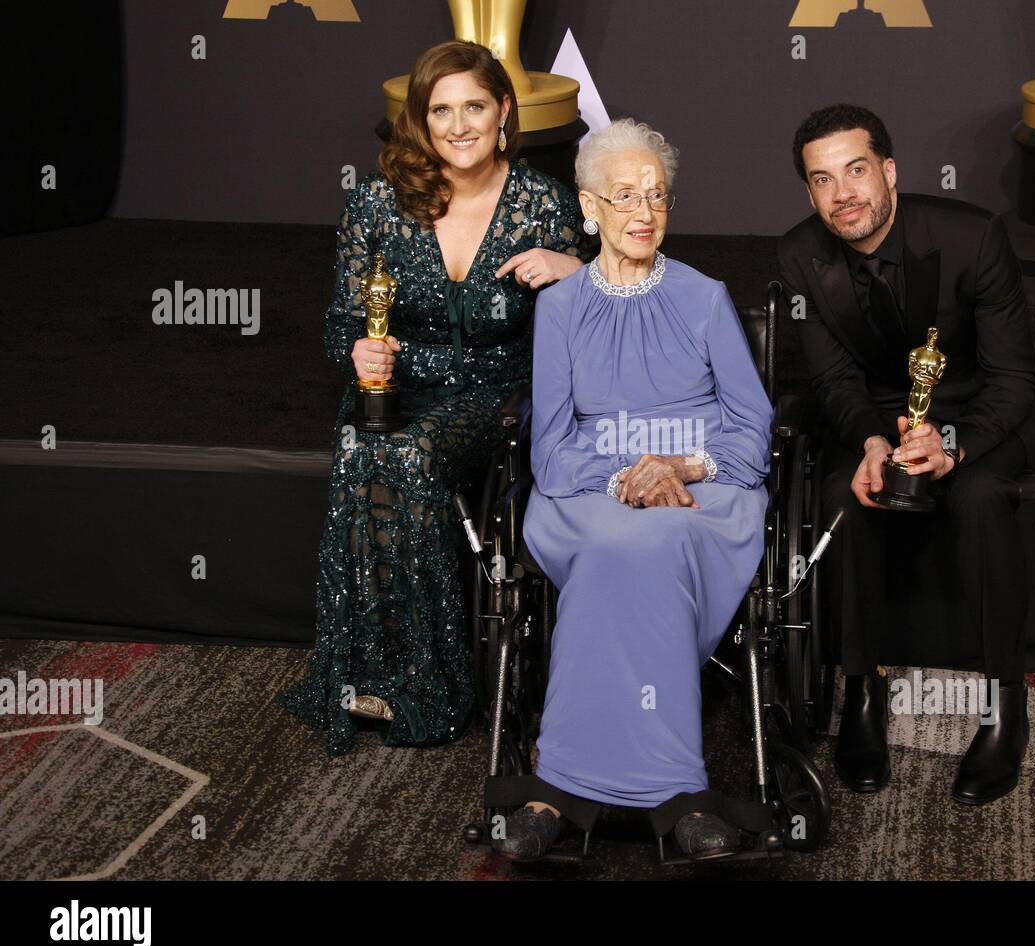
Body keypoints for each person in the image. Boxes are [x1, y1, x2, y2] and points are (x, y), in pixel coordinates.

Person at [279, 41, 596, 756]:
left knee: (412, 454)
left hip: (498, 394)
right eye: (441, 110)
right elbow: (341, 324)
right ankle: (363, 672)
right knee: (366, 442)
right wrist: (357, 350)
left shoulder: (541, 203)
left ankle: (431, 679)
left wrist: (574, 266)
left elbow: (605, 312)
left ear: (504, 111)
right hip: (395, 391)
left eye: (475, 107)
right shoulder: (377, 203)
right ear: (421, 120)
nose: (459, 126)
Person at [490, 119, 774, 862]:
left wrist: (679, 467)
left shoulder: (704, 297)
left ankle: (586, 789)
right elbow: (549, 448)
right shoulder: (559, 309)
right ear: (590, 210)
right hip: (587, 487)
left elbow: (752, 428)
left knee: (652, 540)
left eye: (658, 196)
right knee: (619, 540)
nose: (644, 212)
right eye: (624, 196)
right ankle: (629, 793)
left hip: (703, 491)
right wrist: (625, 474)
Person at [777, 103, 1035, 805]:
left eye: (857, 170)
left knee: (981, 498)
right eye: (823, 180)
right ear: (809, 193)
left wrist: (953, 447)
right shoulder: (798, 255)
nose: (843, 193)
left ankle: (1003, 708)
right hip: (876, 419)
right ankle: (862, 693)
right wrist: (874, 442)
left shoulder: (972, 236)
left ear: (890, 172)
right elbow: (832, 379)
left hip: (982, 413)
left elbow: (1015, 377)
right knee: (845, 495)